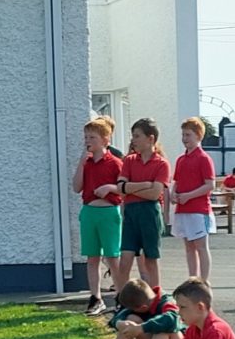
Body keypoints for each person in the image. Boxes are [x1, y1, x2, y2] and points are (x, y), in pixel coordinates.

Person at [113, 118, 171, 294]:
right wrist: (145, 184)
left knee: (150, 259)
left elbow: (155, 194)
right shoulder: (129, 161)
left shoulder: (161, 164)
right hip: (131, 214)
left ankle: (155, 297)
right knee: (125, 259)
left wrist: (131, 188)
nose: (133, 140)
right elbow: (120, 188)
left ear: (150, 138)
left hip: (149, 213)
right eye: (133, 136)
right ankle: (122, 298)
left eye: (137, 136)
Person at [74, 117, 125, 315]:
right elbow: (76, 187)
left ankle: (121, 296)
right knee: (92, 257)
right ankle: (95, 297)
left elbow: (124, 189)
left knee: (113, 256)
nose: (88, 141)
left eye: (92, 137)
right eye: (86, 137)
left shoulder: (115, 163)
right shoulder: (87, 164)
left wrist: (110, 188)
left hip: (109, 212)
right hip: (89, 211)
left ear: (105, 140)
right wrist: (81, 164)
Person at [172, 118, 217, 282]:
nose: (184, 138)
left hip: (199, 210)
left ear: (198, 136)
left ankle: (203, 281)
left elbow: (210, 184)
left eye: (188, 135)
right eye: (183, 135)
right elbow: (176, 182)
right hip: (183, 210)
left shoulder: (204, 158)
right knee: (189, 248)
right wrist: (173, 194)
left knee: (201, 247)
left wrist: (188, 196)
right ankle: (192, 279)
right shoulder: (181, 159)